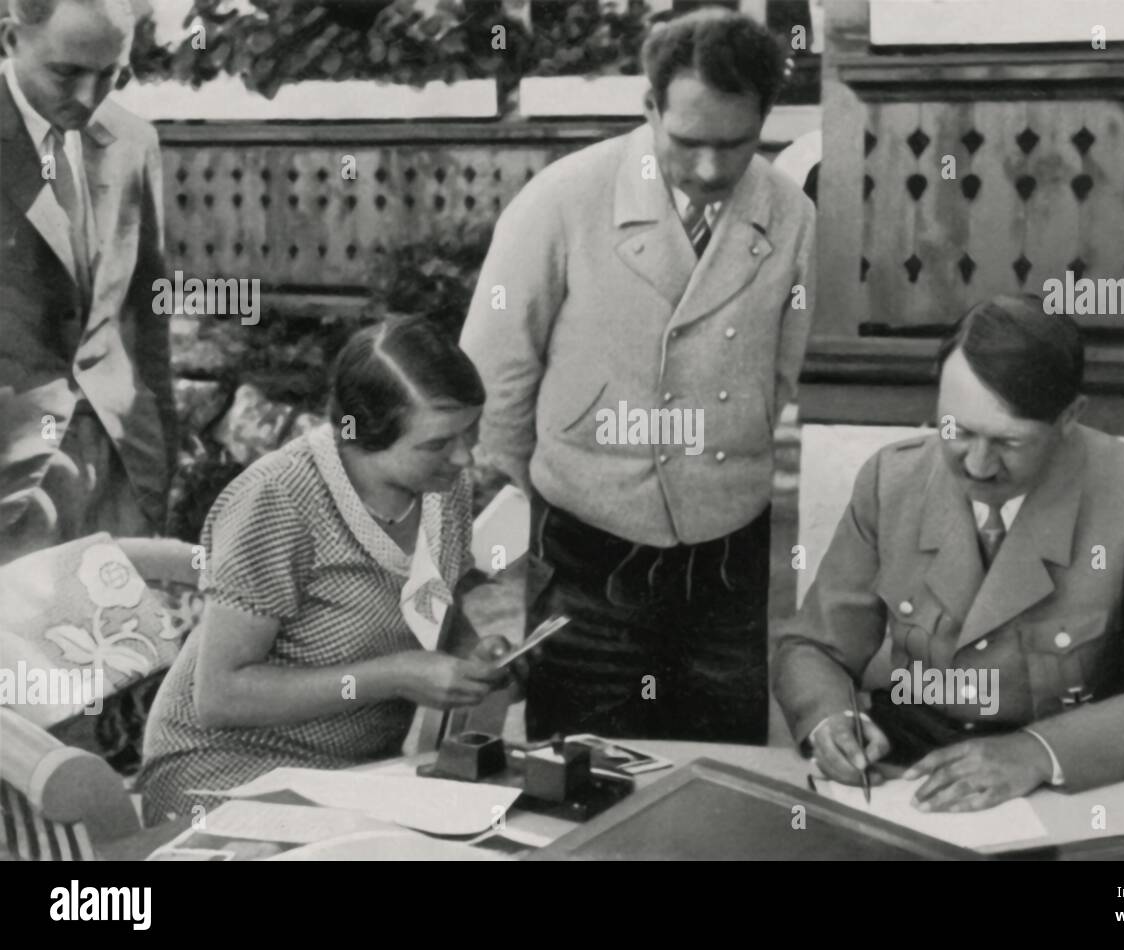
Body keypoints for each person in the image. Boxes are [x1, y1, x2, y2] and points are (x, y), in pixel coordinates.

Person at [460, 8, 816, 744]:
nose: (713, 169)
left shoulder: (793, 215)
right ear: (649, 106)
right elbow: (497, 371)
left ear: (766, 120)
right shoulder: (562, 199)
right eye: (688, 142)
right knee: (581, 775)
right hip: (586, 553)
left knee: (722, 780)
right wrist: (528, 511)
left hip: (728, 559)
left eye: (737, 143)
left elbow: (780, 369)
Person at [774, 296, 1124, 811]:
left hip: (1069, 780)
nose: (978, 467)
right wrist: (831, 720)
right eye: (956, 432)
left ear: (1070, 416)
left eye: (1009, 443)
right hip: (906, 772)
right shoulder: (890, 482)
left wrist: (1037, 753)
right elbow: (812, 647)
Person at [140, 318, 518, 823]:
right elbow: (220, 697)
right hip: (223, 769)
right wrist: (396, 677)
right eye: (437, 442)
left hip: (354, 779)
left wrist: (472, 653)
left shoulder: (443, 488)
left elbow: (428, 605)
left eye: (469, 432)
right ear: (361, 435)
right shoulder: (279, 499)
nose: (464, 456)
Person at [0, 0, 175, 564]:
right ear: (9, 40)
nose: (87, 96)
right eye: (66, 72)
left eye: (110, 74)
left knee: (124, 650)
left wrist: (158, 452)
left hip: (122, 467)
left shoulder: (133, 142)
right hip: (11, 479)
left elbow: (148, 316)